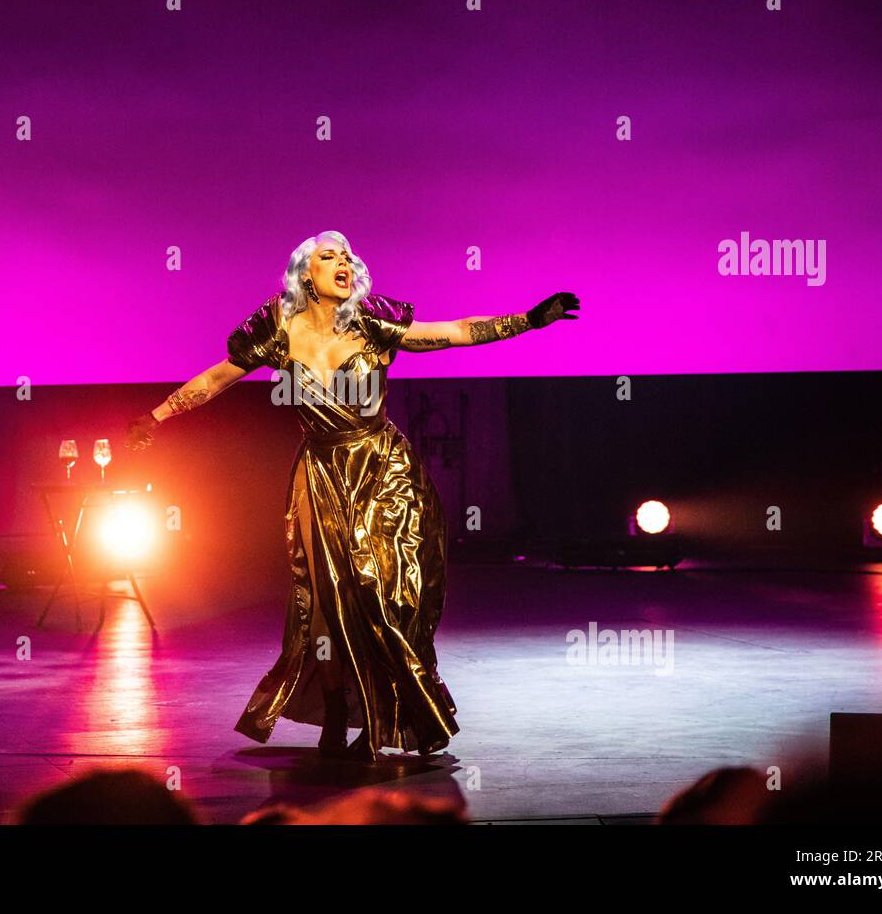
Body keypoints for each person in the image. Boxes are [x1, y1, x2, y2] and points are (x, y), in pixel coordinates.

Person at [127, 230, 579, 761]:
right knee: (329, 605)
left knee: (382, 594)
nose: (343, 263)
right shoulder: (276, 328)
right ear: (305, 273)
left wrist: (525, 321)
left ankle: (389, 712)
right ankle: (339, 711)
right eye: (329, 257)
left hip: (384, 472)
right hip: (321, 476)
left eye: (347, 257)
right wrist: (156, 416)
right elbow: (217, 378)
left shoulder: (373, 323)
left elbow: (453, 332)